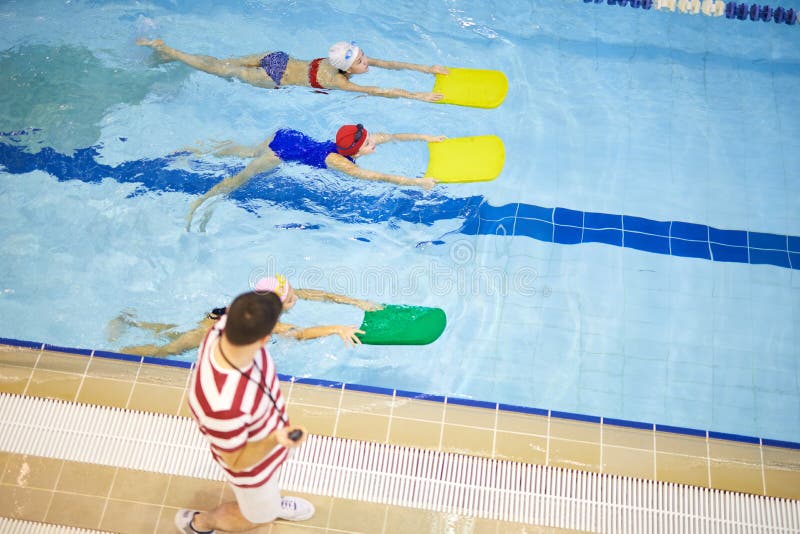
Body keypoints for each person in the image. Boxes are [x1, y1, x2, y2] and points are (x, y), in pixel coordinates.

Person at [175, 289, 312, 533]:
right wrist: (275, 440)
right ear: (265, 339)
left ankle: (268, 500)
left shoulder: (225, 326)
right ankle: (200, 523)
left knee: (266, 494)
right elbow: (237, 462)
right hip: (252, 468)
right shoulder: (224, 406)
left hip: (262, 439)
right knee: (259, 516)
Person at [185, 123, 444, 228]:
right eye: (367, 145)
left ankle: (199, 149)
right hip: (278, 153)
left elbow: (392, 137)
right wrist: (417, 182)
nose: (373, 144)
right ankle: (200, 202)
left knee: (250, 151)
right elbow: (375, 177)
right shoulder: (341, 162)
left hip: (287, 135)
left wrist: (426, 138)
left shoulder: (356, 142)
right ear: (354, 151)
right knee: (240, 179)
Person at [116, 275, 381, 357]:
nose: (296, 298)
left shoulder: (277, 296)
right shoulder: (273, 320)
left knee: (177, 332)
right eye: (289, 299)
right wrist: (336, 328)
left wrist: (357, 302)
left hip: (222, 314)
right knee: (171, 349)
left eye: (292, 292)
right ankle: (122, 353)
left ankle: (132, 321)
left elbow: (322, 294)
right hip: (218, 327)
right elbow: (298, 334)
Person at [137, 39, 449, 102]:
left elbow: (390, 64)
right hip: (273, 75)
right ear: (347, 68)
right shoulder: (340, 82)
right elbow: (379, 91)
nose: (368, 62)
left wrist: (427, 68)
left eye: (365, 58)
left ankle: (172, 54)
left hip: (276, 56)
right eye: (361, 62)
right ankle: (172, 53)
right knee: (221, 70)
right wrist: (419, 96)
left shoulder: (339, 64)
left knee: (225, 62)